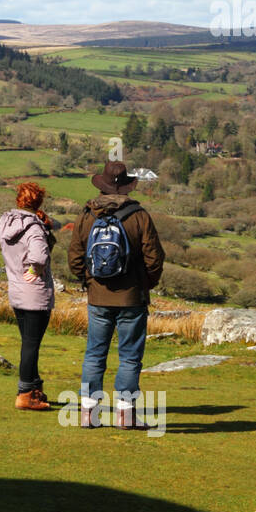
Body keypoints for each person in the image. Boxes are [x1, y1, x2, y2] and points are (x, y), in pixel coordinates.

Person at [67, 161, 165, 429]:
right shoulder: (139, 216)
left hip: (98, 297)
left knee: (94, 354)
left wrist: (88, 281)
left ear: (103, 185)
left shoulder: (87, 215)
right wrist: (145, 285)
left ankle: (89, 413)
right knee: (130, 357)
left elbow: (75, 256)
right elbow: (154, 257)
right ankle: (126, 415)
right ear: (126, 186)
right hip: (132, 298)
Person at [0, 181, 57, 411]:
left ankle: (34, 388)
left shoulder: (6, 223)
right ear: (39, 201)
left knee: (28, 343)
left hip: (15, 290)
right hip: (34, 293)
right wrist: (34, 271)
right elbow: (39, 256)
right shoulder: (33, 228)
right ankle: (25, 394)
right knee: (31, 345)